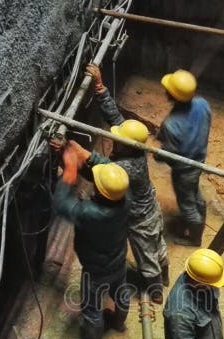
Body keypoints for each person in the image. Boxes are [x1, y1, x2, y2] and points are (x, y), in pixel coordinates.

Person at [86, 63, 169, 304]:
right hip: (150, 207)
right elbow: (115, 117)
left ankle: (156, 291)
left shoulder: (127, 168)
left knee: (147, 258)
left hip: (140, 219)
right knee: (159, 246)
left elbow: (100, 168)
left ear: (127, 145)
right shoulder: (135, 144)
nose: (114, 140)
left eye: (117, 140)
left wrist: (76, 155)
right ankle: (164, 276)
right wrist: (100, 87)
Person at [51, 139, 131, 339]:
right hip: (118, 261)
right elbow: (111, 172)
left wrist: (69, 170)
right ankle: (118, 323)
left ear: (100, 191)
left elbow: (61, 205)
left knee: (92, 309)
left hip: (95, 271)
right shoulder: (125, 195)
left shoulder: (90, 213)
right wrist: (84, 154)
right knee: (120, 291)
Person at [155, 69, 211, 247]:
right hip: (199, 161)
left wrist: (158, 154)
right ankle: (199, 213)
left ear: (172, 95)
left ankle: (195, 238)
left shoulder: (171, 125)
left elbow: (170, 155)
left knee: (186, 203)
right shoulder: (203, 105)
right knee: (194, 194)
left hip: (183, 170)